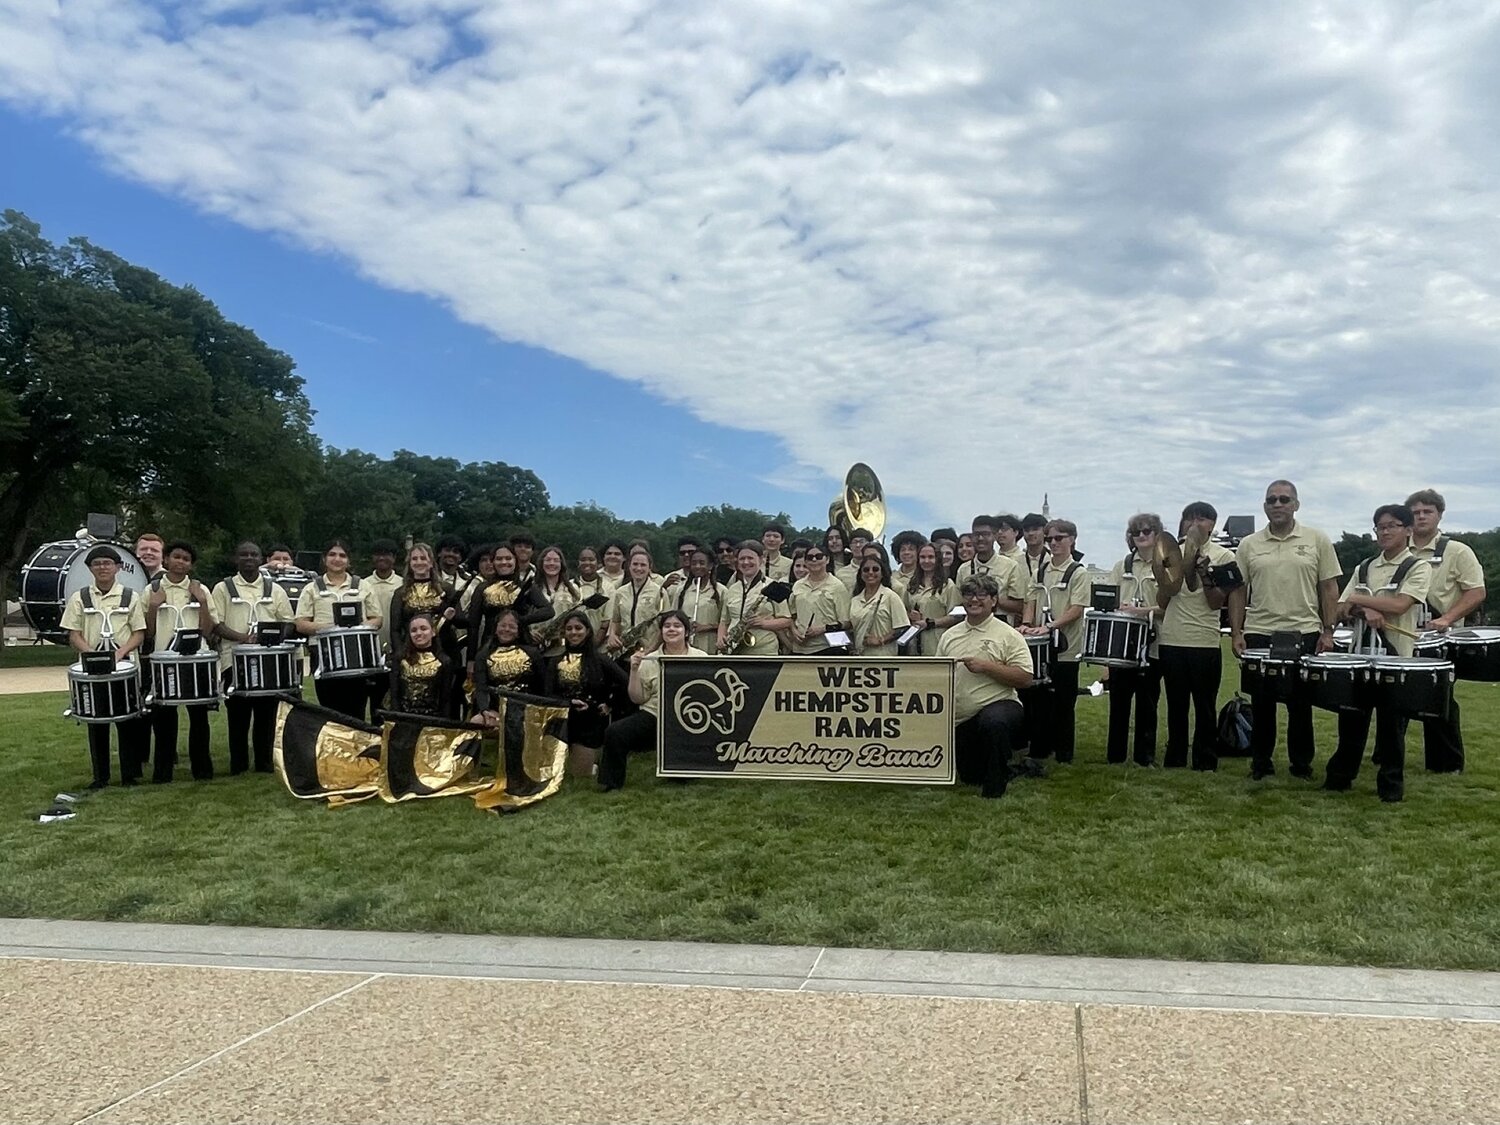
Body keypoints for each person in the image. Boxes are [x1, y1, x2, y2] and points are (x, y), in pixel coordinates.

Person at [1228, 480, 1341, 781]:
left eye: (1284, 499)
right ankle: (1261, 763)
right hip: (1260, 632)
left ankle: (1301, 764)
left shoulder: (1317, 539)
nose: (1277, 505)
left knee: (1300, 705)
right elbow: (1239, 591)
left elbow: (1329, 587)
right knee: (1263, 705)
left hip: (1303, 632)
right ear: (1264, 506)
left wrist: (1328, 631)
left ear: (1296, 505)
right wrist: (1236, 631)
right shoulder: (1249, 544)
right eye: (1271, 500)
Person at [1323, 505, 1431, 802]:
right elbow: (1341, 608)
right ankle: (1339, 779)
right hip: (1359, 655)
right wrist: (1363, 608)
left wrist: (1360, 598)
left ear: (1408, 530)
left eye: (1392, 526)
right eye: (1379, 527)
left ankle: (1390, 787)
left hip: (1396, 659)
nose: (1384, 532)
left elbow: (1400, 606)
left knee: (1391, 729)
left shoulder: (1417, 566)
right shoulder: (1365, 566)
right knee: (1351, 721)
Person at [1405, 488, 1487, 773]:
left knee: (1438, 698)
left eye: (1427, 511)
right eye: (1415, 513)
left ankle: (1446, 762)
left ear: (1439, 515)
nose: (1421, 517)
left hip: (1440, 639)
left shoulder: (1457, 551)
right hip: (1402, 635)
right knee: (1394, 696)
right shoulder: (1397, 550)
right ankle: (1386, 755)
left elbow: (1476, 592)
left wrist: (1448, 618)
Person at [935, 574, 1035, 797]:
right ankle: (1017, 767)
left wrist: (987, 667)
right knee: (971, 776)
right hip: (963, 718)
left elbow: (1026, 678)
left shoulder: (1009, 635)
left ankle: (994, 790)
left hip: (1000, 705)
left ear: (993, 600)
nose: (974, 600)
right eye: (969, 594)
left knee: (994, 722)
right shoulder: (950, 636)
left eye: (981, 594)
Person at [1157, 502, 1237, 770]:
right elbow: (1164, 601)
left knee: (1205, 705)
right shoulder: (1172, 552)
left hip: (1204, 640)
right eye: (1189, 518)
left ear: (1212, 524)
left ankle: (1205, 759)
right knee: (1176, 705)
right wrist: (1164, 576)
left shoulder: (1224, 556)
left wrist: (1204, 573)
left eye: (1201, 519)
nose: (1194, 523)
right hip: (1172, 638)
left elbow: (1216, 603)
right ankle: (1175, 757)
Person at [60, 546, 148, 788]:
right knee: (97, 722)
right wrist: (92, 655)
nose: (102, 568)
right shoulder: (79, 598)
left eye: (107, 563)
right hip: (93, 670)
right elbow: (73, 634)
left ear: (118, 567)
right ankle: (101, 776)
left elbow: (139, 633)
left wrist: (120, 654)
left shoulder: (131, 596)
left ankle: (129, 775)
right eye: (97, 564)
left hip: (125, 667)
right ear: (90, 568)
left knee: (127, 720)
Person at [211, 541, 295, 774]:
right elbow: (216, 623)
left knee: (266, 714)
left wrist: (274, 637)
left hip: (267, 660)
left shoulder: (275, 589)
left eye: (254, 554)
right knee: (237, 714)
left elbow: (288, 621)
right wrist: (244, 638)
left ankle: (264, 763)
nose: (249, 558)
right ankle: (238, 764)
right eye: (243, 554)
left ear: (262, 559)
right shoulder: (222, 588)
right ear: (235, 559)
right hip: (234, 660)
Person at [598, 610, 705, 790]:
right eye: (667, 626)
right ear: (661, 631)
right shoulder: (649, 660)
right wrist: (633, 670)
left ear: (686, 632)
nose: (672, 630)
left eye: (677, 626)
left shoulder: (701, 658)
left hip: (688, 719)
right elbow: (638, 698)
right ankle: (612, 783)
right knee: (614, 732)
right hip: (654, 714)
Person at [144, 541, 218, 782]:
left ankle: (203, 770)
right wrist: (154, 606)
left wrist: (202, 602)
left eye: (186, 559)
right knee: (164, 716)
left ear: (191, 565)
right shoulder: (152, 589)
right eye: (176, 557)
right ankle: (163, 772)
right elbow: (148, 632)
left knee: (199, 716)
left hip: (195, 659)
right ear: (165, 560)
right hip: (164, 660)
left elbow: (208, 631)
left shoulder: (200, 589)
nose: (180, 562)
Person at [1020, 520, 1089, 763]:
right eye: (1050, 539)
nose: (1054, 543)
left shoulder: (1078, 572)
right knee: (1039, 700)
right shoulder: (1040, 570)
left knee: (1064, 701)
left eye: (1059, 538)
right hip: (1041, 644)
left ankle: (1064, 753)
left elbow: (1077, 609)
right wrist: (1027, 625)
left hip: (1066, 647)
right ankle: (1039, 749)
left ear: (1072, 539)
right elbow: (1031, 601)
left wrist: (1049, 626)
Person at [295, 539, 383, 721]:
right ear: (324, 559)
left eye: (342, 555)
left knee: (356, 712)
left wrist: (356, 628)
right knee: (329, 713)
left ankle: (356, 748)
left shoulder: (363, 586)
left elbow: (378, 619)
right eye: (332, 554)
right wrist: (331, 629)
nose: (337, 559)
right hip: (324, 655)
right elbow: (301, 623)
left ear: (349, 561)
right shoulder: (312, 588)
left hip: (357, 657)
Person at [1103, 514, 1164, 767]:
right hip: (1122, 644)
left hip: (1153, 642)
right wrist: (1119, 607)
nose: (1142, 536)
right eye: (1136, 532)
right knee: (1118, 701)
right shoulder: (1122, 565)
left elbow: (1168, 606)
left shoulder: (1166, 565)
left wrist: (1140, 611)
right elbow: (1108, 599)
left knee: (1148, 702)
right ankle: (1115, 756)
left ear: (1158, 535)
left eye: (1148, 531)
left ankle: (1144, 756)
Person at [470, 608, 545, 795]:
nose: (506, 630)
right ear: (495, 629)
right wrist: (485, 709)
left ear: (519, 630)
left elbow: (543, 687)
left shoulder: (532, 653)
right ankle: (471, 773)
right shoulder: (484, 654)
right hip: (497, 712)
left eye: (511, 626)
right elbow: (481, 687)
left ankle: (525, 770)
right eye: (502, 626)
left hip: (527, 712)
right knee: (474, 723)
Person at [543, 611, 627, 778]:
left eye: (578, 628)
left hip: (589, 723)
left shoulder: (600, 660)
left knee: (581, 775)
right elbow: (548, 693)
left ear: (588, 631)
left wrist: (609, 705)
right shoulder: (555, 661)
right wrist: (567, 704)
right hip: (562, 720)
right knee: (551, 774)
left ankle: (592, 763)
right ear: (564, 633)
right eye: (569, 629)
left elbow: (625, 683)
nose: (574, 632)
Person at [468, 545, 548, 667]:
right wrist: (471, 659)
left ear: (515, 560)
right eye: (499, 559)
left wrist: (520, 621)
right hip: (490, 646)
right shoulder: (482, 588)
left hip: (521, 644)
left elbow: (547, 610)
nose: (504, 562)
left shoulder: (525, 587)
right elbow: (473, 626)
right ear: (493, 562)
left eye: (508, 558)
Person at [389, 543, 461, 663]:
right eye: (414, 559)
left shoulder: (446, 589)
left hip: (445, 650)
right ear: (409, 563)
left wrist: (451, 617)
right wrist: (400, 654)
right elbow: (395, 630)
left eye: (423, 558)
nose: (419, 562)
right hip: (411, 653)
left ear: (431, 562)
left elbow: (461, 621)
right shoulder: (401, 593)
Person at [716, 541, 791, 655]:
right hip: (734, 649)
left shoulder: (774, 586)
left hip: (764, 649)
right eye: (742, 559)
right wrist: (721, 638)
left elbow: (787, 620)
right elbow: (724, 621)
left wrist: (763, 623)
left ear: (761, 559)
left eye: (750, 558)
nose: (746, 562)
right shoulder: (732, 589)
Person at [387, 613, 461, 719]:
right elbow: (394, 694)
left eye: (423, 629)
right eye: (413, 630)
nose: (418, 633)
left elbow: (445, 699)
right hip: (404, 717)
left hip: (433, 719)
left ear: (433, 632)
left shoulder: (444, 661)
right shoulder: (399, 659)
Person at [956, 515, 1025, 622]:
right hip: (971, 624)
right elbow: (959, 603)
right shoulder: (964, 569)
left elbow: (1019, 605)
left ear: (995, 535)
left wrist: (990, 599)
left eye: (986, 534)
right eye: (976, 535)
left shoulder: (1010, 566)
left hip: (1001, 623)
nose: (980, 539)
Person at [365, 538, 405, 716]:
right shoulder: (363, 584)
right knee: (375, 704)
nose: (382, 558)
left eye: (387, 554)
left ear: (394, 558)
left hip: (397, 651)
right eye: (378, 554)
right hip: (370, 654)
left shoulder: (403, 584)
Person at [790, 545, 853, 655]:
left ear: (827, 559)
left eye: (819, 556)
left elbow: (847, 623)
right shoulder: (798, 585)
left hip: (829, 647)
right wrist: (793, 631)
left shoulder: (837, 586)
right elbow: (791, 615)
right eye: (810, 557)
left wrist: (823, 628)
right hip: (800, 648)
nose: (814, 560)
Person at [904, 542, 962, 655]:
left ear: (938, 559)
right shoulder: (911, 585)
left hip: (937, 641)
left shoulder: (948, 585)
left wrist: (930, 623)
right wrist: (909, 615)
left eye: (931, 557)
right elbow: (903, 609)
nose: (926, 561)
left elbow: (956, 617)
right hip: (914, 643)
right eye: (922, 557)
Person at [607, 547, 666, 655]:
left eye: (643, 565)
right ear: (629, 566)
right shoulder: (620, 592)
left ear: (649, 568)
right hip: (624, 651)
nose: (638, 568)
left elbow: (665, 625)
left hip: (650, 651)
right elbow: (615, 620)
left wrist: (650, 651)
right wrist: (612, 635)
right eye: (635, 564)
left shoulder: (659, 592)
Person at [850, 552, 908, 657]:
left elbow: (902, 628)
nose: (870, 572)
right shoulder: (855, 600)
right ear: (861, 574)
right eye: (866, 569)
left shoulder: (891, 597)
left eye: (875, 569)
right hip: (860, 657)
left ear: (882, 574)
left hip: (884, 657)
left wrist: (881, 640)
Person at [527, 545, 580, 654]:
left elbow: (579, 617)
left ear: (562, 564)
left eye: (556, 560)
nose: (552, 563)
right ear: (541, 563)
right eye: (548, 560)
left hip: (563, 647)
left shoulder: (573, 589)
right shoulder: (531, 588)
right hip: (535, 646)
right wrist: (528, 632)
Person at [675, 546, 725, 649]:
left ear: (710, 566)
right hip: (685, 645)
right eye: (694, 563)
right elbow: (673, 617)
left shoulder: (722, 591)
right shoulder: (681, 590)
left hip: (710, 645)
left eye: (702, 563)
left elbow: (726, 622)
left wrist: (707, 627)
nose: (697, 566)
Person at [889, 530, 925, 596]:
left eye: (911, 549)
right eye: (903, 549)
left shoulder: (924, 577)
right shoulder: (891, 577)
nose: (906, 552)